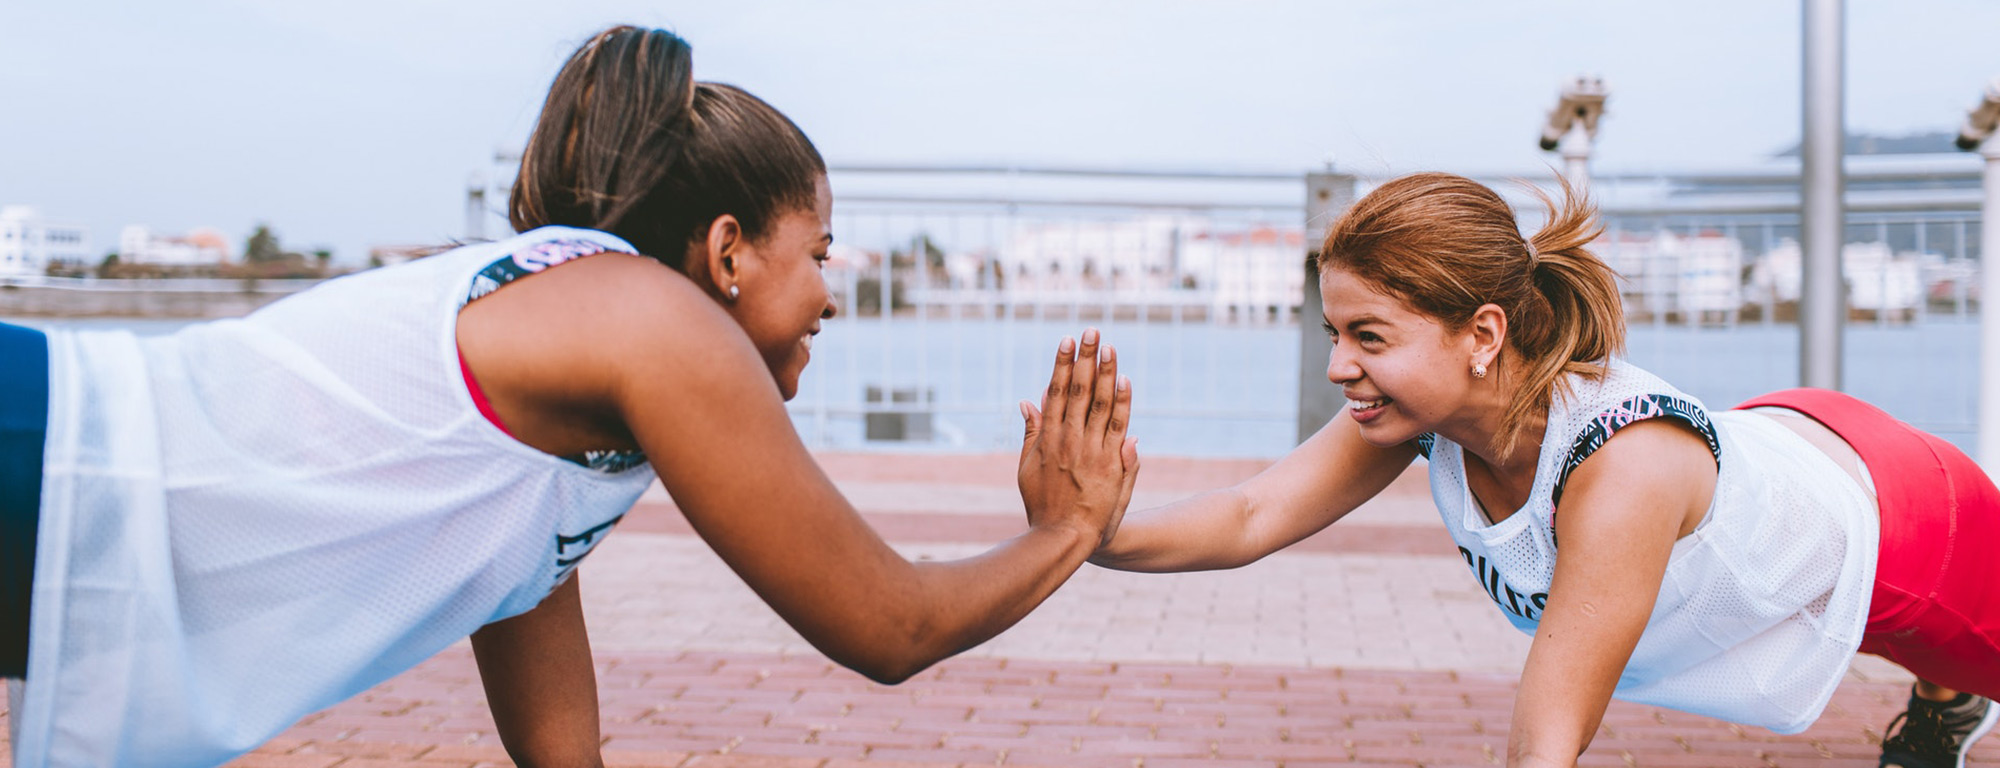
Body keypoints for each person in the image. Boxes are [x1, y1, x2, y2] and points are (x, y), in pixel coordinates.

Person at [2, 26, 1140, 768]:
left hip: (52, 481)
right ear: (730, 249)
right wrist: (1067, 529)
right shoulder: (653, 322)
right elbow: (889, 628)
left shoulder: (574, 370)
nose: (831, 295)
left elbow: (523, 609)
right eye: (822, 252)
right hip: (49, 453)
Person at [1090, 172, 2000, 768]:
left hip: (1906, 525)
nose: (1338, 366)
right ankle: (1943, 694)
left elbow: (1547, 744)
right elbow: (1251, 516)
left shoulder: (1622, 470)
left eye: (1369, 336)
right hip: (1781, 442)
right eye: (1336, 333)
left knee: (1936, 642)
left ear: (1483, 334)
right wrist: (1085, 531)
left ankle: (1947, 698)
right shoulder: (1419, 413)